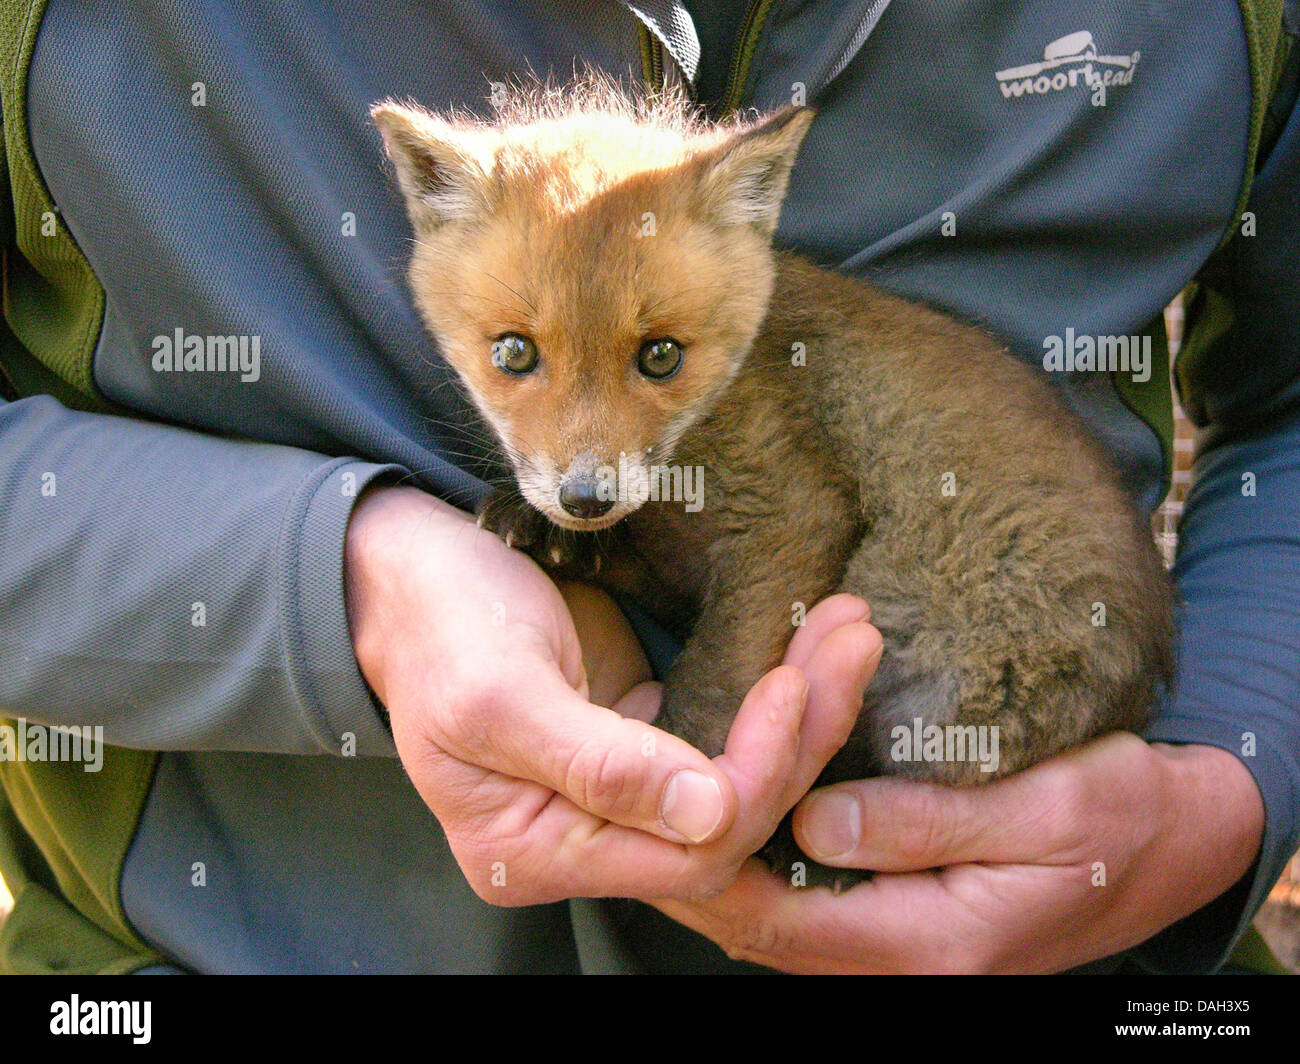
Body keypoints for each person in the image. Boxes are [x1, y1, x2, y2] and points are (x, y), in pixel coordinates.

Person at [0, 0, 1294, 974]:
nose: (577, 449)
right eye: (516, 361)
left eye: (656, 358)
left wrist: (1230, 783)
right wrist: (342, 585)